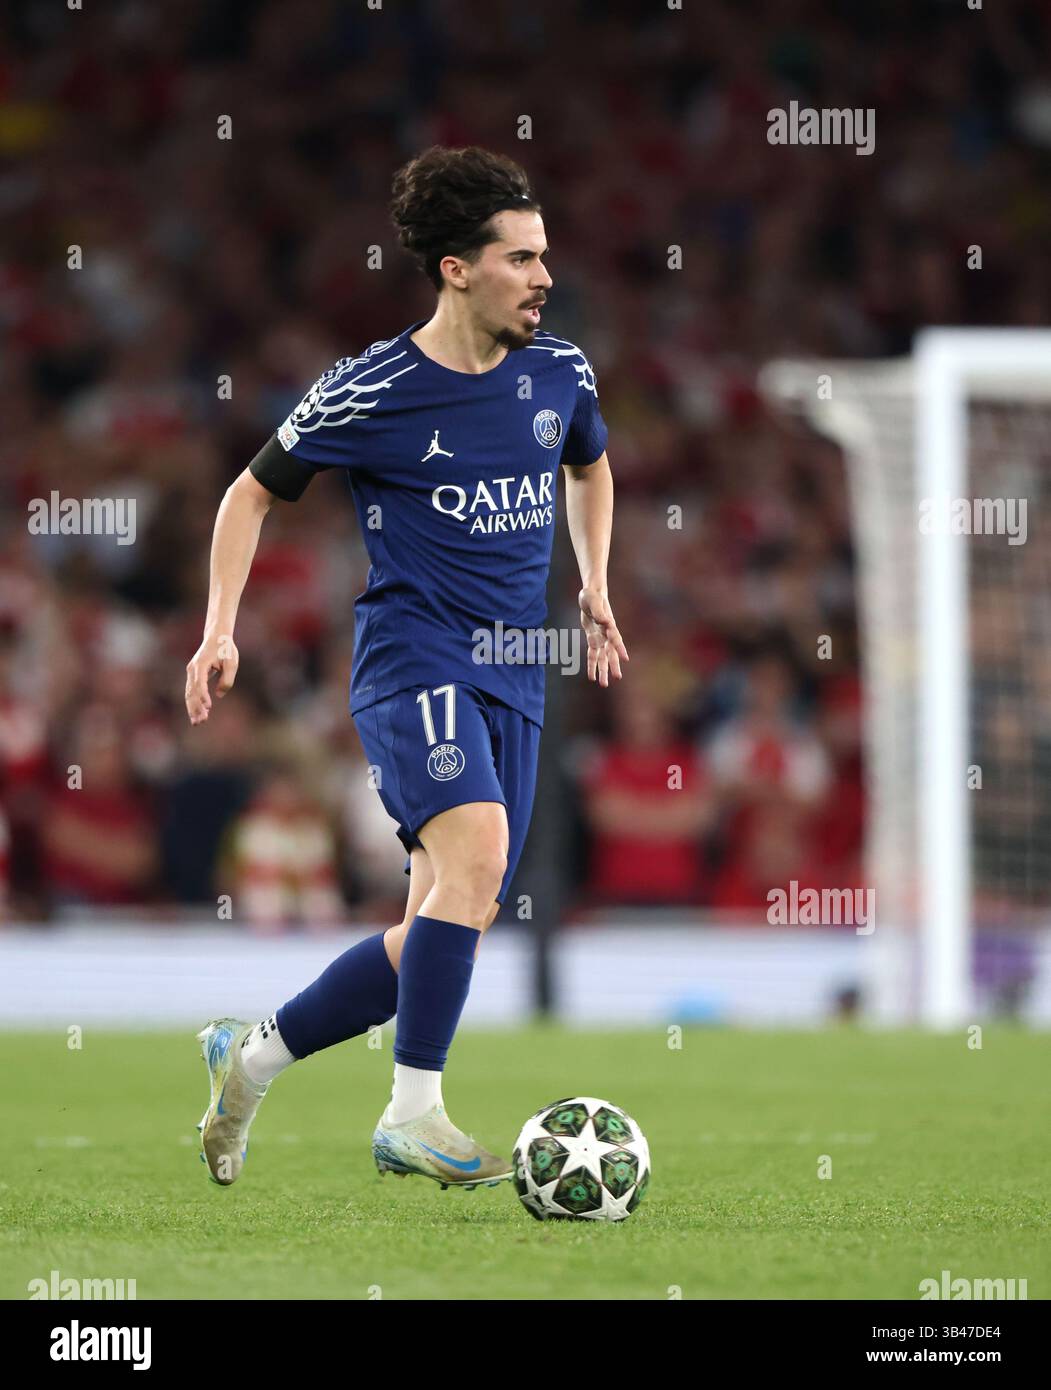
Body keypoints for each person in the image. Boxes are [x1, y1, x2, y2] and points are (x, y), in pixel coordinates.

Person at [184, 145, 627, 1190]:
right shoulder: (370, 387)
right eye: (520, 258)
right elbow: (251, 492)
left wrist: (596, 584)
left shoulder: (559, 370)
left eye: (544, 256)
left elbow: (591, 462)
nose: (543, 277)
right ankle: (413, 1112)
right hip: (412, 655)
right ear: (456, 269)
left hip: (516, 671)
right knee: (474, 854)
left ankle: (247, 1060)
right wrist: (218, 627)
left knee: (446, 915)